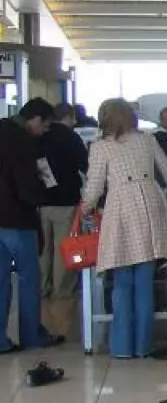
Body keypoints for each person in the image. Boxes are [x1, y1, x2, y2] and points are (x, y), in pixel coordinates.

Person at [81, 99, 167, 360]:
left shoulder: (101, 147)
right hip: (150, 204)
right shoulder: (147, 140)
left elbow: (94, 187)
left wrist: (85, 208)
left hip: (121, 207)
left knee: (122, 281)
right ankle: (143, 345)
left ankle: (123, 346)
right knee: (145, 281)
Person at [0, 99, 64, 353]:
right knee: (29, 278)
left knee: (1, 280)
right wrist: (44, 195)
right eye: (46, 125)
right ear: (35, 119)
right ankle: (31, 336)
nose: (45, 131)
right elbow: (27, 185)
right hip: (18, 219)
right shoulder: (23, 141)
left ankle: (1, 341)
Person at [37, 102, 89, 300]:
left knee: (43, 247)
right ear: (70, 116)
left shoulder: (41, 136)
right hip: (66, 200)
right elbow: (85, 166)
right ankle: (62, 289)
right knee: (64, 246)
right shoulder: (71, 137)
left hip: (41, 200)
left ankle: (43, 286)